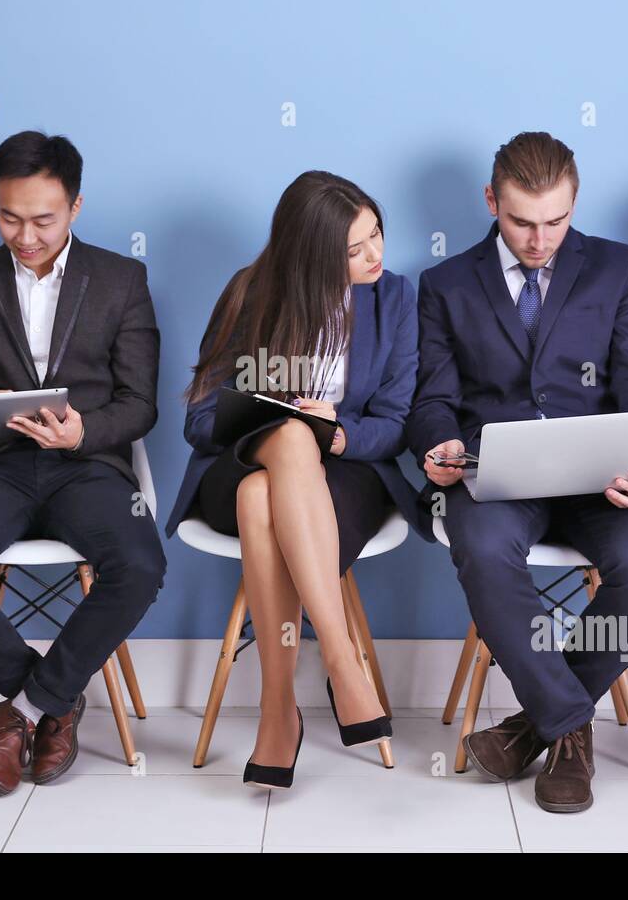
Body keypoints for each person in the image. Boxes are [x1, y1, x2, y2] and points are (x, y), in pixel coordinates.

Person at [409, 132, 628, 813]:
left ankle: (536, 725)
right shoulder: (445, 283)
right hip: (496, 477)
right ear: (490, 200)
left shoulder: (620, 269)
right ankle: (568, 726)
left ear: (574, 201)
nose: (539, 239)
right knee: (480, 549)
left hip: (606, 478)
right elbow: (433, 399)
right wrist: (437, 445)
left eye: (555, 220)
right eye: (521, 221)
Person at [0, 131, 166, 796]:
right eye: (9, 217)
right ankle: (54, 697)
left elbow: (141, 406)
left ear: (76, 206)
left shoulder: (122, 279)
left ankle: (24, 711)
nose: (24, 235)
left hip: (87, 467)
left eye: (43, 220)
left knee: (140, 566)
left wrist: (84, 431)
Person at [165, 171, 431, 790]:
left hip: (346, 474)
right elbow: (199, 421)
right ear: (312, 254)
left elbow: (395, 424)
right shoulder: (249, 293)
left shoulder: (393, 299)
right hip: (239, 466)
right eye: (355, 248)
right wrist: (266, 411)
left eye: (377, 236)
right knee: (282, 443)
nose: (376, 255)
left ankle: (277, 713)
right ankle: (341, 659)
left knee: (269, 496)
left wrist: (337, 433)